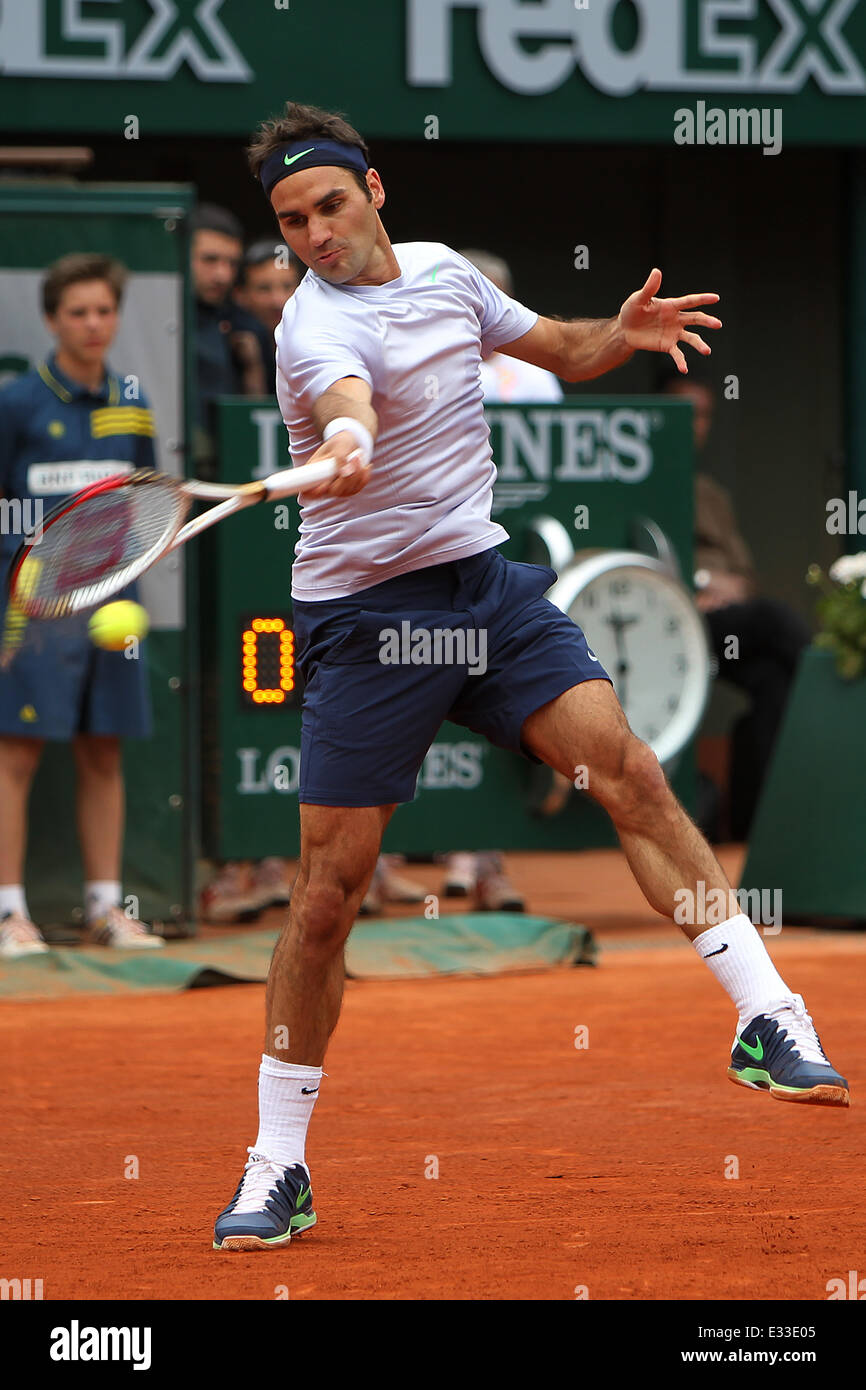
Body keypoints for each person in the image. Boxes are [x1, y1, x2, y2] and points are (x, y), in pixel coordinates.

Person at [212, 101, 847, 1253]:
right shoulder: (311, 334)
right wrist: (345, 437)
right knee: (325, 898)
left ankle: (768, 1016)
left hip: (484, 590)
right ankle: (278, 1163)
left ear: (374, 189)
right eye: (290, 221)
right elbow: (347, 400)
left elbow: (552, 345)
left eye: (329, 204)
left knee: (630, 772)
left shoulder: (449, 274)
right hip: (365, 621)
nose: (312, 233)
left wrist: (621, 328)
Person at [0, 254, 164, 956]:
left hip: (110, 604)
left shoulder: (129, 396)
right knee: (16, 755)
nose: (94, 324)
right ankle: (10, 914)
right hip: (30, 611)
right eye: (78, 312)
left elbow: (144, 494)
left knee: (104, 752)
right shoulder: (16, 404)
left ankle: (105, 908)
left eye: (104, 310)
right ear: (50, 320)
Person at [658, 366, 812, 839]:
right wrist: (699, 579)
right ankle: (832, 690)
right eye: (683, 414)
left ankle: (753, 826)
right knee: (776, 619)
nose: (694, 425)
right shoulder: (639, 480)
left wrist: (728, 586)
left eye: (703, 415)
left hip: (723, 623)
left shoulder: (711, 494)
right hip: (664, 623)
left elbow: (746, 576)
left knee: (773, 681)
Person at [190, 204, 272, 467]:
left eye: (231, 263)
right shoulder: (155, 320)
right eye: (210, 260)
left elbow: (264, 421)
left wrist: (252, 369)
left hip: (231, 468)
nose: (222, 275)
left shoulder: (246, 327)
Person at [233, 240, 304, 394]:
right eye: (264, 289)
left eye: (287, 287)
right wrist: (252, 368)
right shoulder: (231, 344)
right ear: (240, 295)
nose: (278, 300)